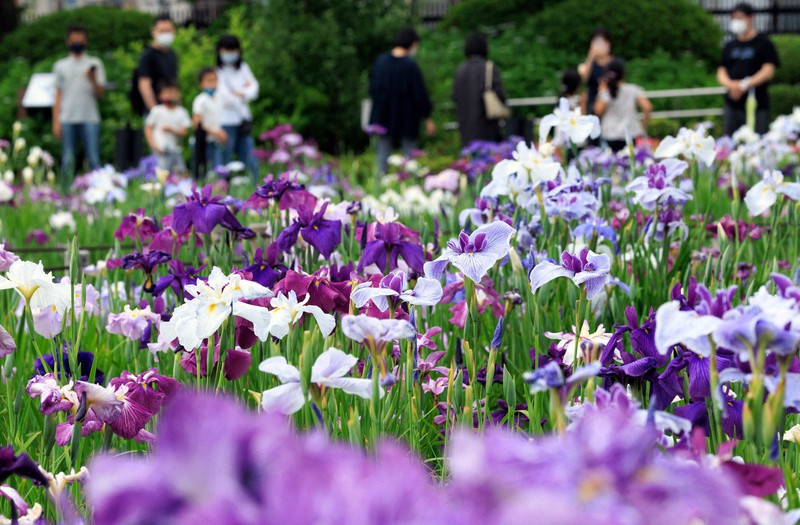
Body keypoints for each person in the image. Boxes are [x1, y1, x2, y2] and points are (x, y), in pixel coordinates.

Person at [368, 27, 435, 175]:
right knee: (409, 159)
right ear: (412, 44)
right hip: (407, 119)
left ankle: (380, 188)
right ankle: (408, 185)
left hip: (383, 117)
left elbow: (372, 89)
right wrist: (427, 117)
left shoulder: (381, 62)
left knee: (382, 158)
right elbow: (420, 94)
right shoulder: (410, 66)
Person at [52, 25, 105, 184]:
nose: (77, 43)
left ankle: (99, 192)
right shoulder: (60, 65)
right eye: (74, 40)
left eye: (80, 40)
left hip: (90, 117)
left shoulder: (94, 63)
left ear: (86, 41)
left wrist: (92, 78)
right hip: (67, 117)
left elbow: (101, 93)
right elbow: (57, 95)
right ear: (68, 42)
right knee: (68, 160)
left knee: (94, 159)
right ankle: (66, 196)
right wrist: (56, 120)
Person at [717, 2, 779, 136]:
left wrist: (744, 84)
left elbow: (768, 70)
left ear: (751, 18)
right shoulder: (730, 45)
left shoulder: (763, 43)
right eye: (734, 18)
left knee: (756, 139)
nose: (736, 21)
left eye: (740, 18)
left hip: (756, 103)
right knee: (730, 140)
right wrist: (732, 85)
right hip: (733, 103)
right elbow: (721, 71)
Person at [215, 34, 259, 178]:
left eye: (232, 50)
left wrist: (238, 93)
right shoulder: (217, 72)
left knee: (250, 159)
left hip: (243, 120)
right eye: (225, 50)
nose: (229, 54)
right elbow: (224, 98)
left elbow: (255, 89)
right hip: (225, 121)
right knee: (224, 162)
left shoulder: (244, 68)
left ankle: (257, 191)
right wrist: (244, 92)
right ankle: (221, 191)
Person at [452, 33, 506, 147]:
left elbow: (454, 97)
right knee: (488, 158)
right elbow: (500, 96)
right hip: (487, 125)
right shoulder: (489, 67)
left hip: (465, 125)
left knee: (470, 157)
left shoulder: (460, 70)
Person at [593, 59, 651, 153]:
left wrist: (602, 92)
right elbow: (647, 107)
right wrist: (642, 128)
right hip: (630, 133)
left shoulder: (606, 92)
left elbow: (598, 111)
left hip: (610, 134)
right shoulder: (633, 89)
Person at [134, 15, 178, 116]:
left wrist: (177, 106)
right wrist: (154, 111)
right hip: (155, 110)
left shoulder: (172, 54)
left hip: (171, 109)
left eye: (168, 30)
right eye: (162, 31)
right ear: (153, 31)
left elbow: (174, 83)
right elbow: (144, 85)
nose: (166, 34)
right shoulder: (148, 56)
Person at [145, 82, 191, 174]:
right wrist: (154, 145)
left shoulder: (182, 112)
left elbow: (185, 131)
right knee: (161, 174)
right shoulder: (157, 111)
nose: (170, 96)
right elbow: (148, 128)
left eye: (173, 92)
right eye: (167, 92)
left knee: (180, 173)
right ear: (160, 95)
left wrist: (172, 131)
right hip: (161, 149)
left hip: (176, 150)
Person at [192, 67, 227, 173]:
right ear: (201, 84)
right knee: (203, 173)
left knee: (218, 173)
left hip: (215, 142)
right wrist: (216, 133)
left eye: (214, 80)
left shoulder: (219, 99)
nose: (212, 83)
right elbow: (197, 123)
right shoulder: (200, 100)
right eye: (209, 80)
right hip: (204, 143)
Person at [577, 29, 615, 116]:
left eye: (602, 42)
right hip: (592, 105)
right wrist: (591, 56)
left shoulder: (615, 63)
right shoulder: (587, 63)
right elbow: (583, 79)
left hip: (612, 106)